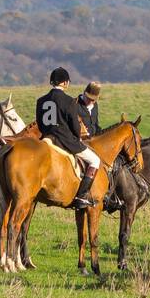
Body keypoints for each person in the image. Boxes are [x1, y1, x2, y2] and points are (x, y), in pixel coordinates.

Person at [36, 67, 96, 209]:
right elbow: (75, 126)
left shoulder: (41, 100)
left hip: (46, 138)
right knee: (95, 161)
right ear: (64, 83)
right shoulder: (69, 101)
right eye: (67, 81)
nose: (68, 83)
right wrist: (77, 138)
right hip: (64, 140)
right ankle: (81, 196)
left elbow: (39, 123)